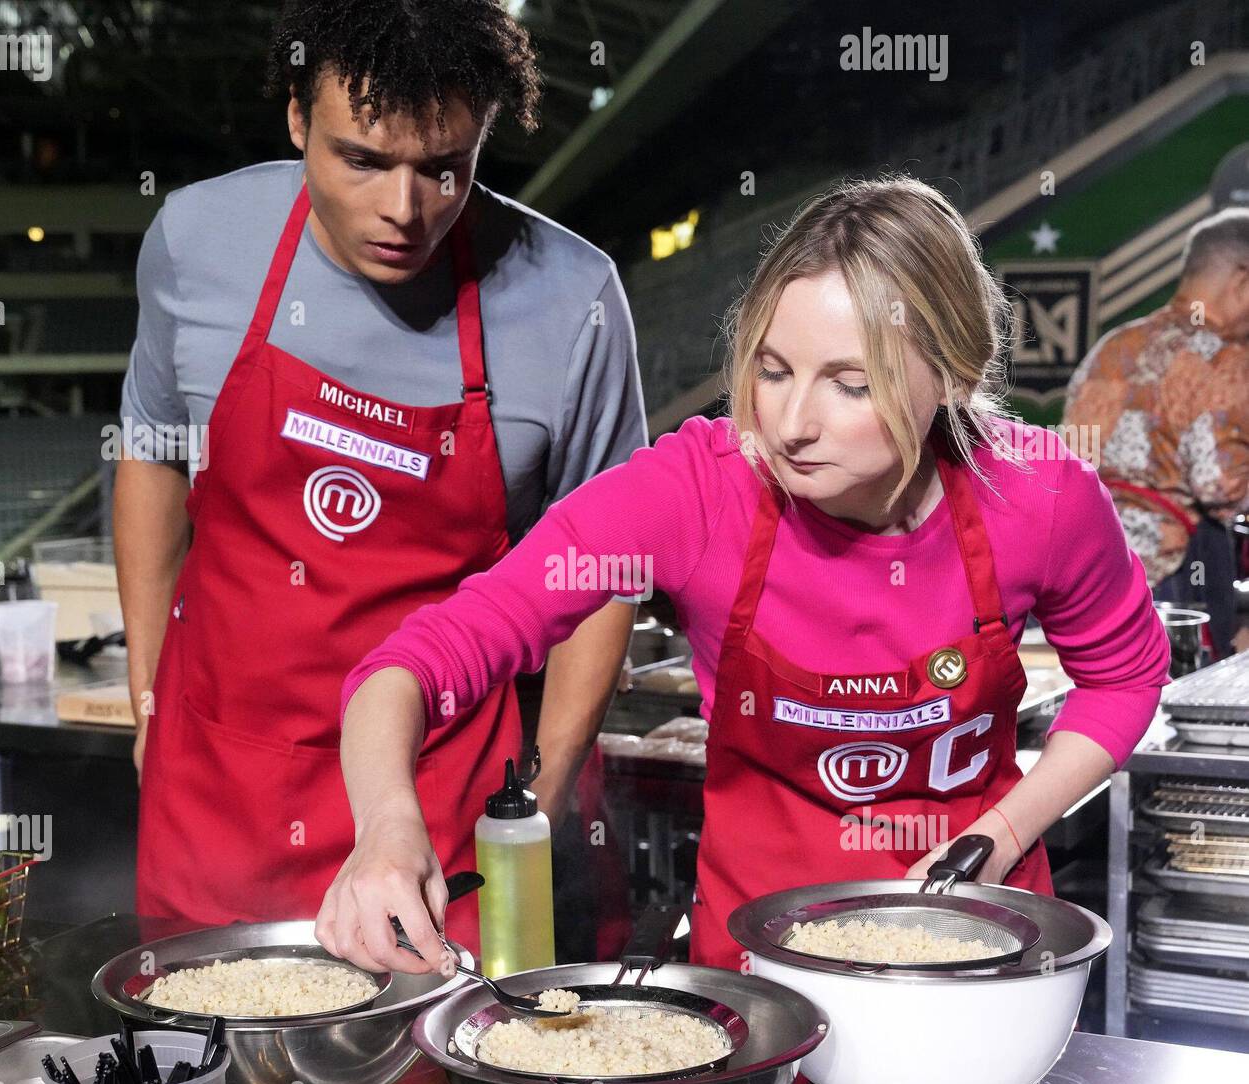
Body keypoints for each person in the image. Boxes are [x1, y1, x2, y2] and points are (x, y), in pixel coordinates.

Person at [320, 176, 1171, 976]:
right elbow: (420, 660)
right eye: (772, 370)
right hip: (760, 973)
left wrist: (1002, 827)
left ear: (952, 374)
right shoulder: (696, 492)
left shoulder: (1039, 496)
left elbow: (1126, 672)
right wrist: (388, 827)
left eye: (850, 383)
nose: (792, 424)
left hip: (976, 950)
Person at [114, 0, 646, 951]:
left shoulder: (574, 299)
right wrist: (148, 692)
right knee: (202, 1078)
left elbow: (606, 568)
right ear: (295, 121)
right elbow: (150, 454)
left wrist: (547, 786)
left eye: (444, 168)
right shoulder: (199, 243)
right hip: (221, 776)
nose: (404, 211)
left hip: (444, 789)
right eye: (360, 159)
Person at [1063, 207, 1249, 660]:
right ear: (1242, 282)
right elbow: (1220, 486)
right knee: (1182, 711)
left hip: (1083, 570)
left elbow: (1070, 458)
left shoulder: (1113, 345)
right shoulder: (1223, 357)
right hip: (1174, 576)